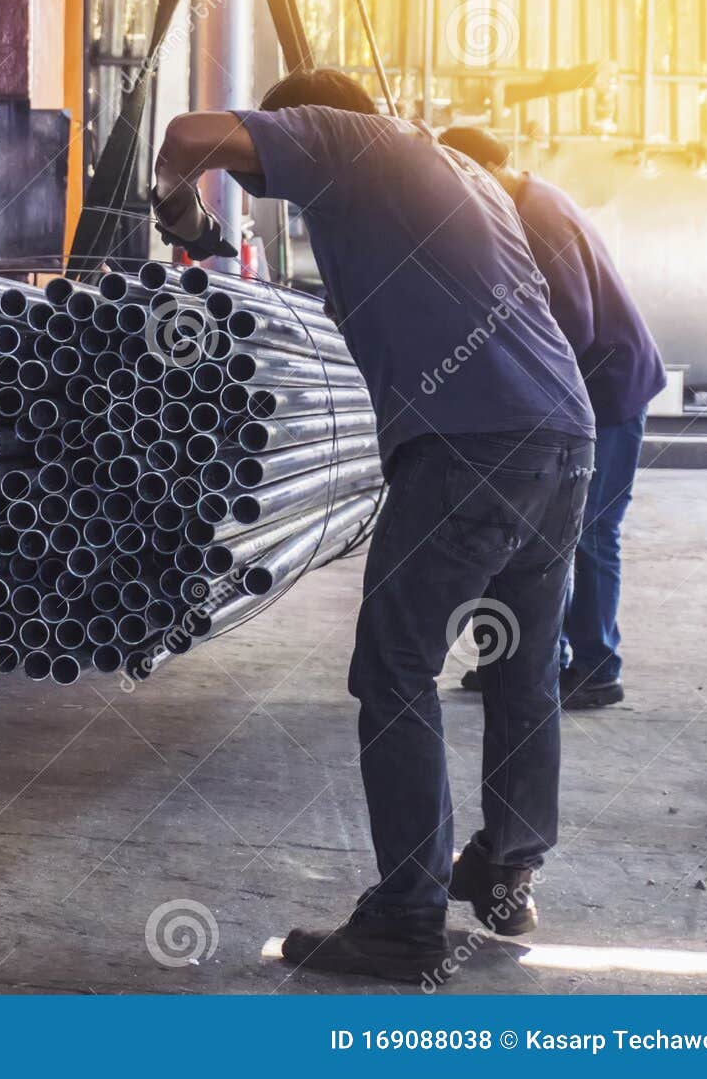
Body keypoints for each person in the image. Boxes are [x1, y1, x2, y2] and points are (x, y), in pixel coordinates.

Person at [151, 70, 594, 984]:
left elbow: (187, 134)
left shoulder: (344, 139)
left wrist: (178, 210)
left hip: (471, 445)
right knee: (522, 662)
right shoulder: (452, 175)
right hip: (562, 438)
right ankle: (507, 873)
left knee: (394, 663)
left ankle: (404, 919)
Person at [440, 127, 665, 710]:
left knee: (589, 532)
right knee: (531, 532)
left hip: (608, 393)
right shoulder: (520, 203)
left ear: (481, 172)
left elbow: (573, 327)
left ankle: (597, 667)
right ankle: (522, 660)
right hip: (576, 395)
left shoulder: (538, 215)